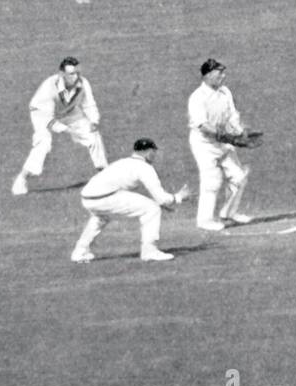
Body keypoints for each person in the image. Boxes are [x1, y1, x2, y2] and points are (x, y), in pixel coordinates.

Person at [71, 138, 190, 263]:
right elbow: (162, 198)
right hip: (105, 197)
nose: (155, 155)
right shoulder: (145, 168)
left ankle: (80, 252)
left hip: (87, 198)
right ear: (148, 152)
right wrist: (179, 197)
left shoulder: (124, 162)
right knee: (152, 209)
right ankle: (150, 251)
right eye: (154, 152)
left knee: (100, 218)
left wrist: (161, 202)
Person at [11, 57, 108, 195]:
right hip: (42, 114)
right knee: (43, 143)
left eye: (78, 72)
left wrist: (94, 121)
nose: (76, 77)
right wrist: (66, 129)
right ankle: (22, 179)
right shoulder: (49, 87)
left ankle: (104, 175)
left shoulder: (83, 83)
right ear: (62, 74)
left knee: (92, 134)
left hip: (70, 112)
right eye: (72, 74)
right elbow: (48, 119)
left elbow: (89, 104)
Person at [187, 59, 256, 231]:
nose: (223, 77)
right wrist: (227, 137)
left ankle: (228, 213)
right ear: (208, 75)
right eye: (219, 74)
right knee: (212, 181)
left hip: (223, 142)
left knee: (239, 176)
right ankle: (204, 220)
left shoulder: (225, 92)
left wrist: (240, 132)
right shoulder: (197, 98)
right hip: (204, 145)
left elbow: (232, 116)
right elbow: (202, 125)